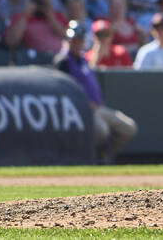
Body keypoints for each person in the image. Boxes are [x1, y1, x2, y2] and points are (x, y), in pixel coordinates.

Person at [55, 22, 138, 163]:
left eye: (80, 40)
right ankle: (87, 158)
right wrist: (84, 103)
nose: (77, 43)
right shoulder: (63, 61)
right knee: (102, 131)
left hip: (98, 108)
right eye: (74, 40)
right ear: (69, 40)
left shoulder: (83, 59)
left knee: (128, 127)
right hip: (80, 110)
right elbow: (63, 89)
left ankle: (104, 158)